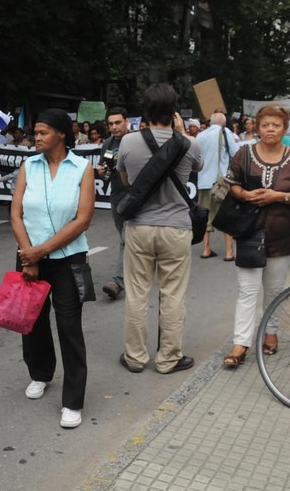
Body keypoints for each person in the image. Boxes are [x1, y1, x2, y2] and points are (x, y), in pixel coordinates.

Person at [10, 108, 94, 429]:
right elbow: (16, 213)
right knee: (31, 323)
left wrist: (40, 252)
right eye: (36, 133)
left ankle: (73, 400)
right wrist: (28, 257)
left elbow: (83, 219)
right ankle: (40, 373)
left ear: (61, 134)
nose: (37, 138)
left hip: (68, 260)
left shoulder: (82, 168)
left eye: (43, 132)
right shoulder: (28, 166)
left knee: (69, 328)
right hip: (29, 256)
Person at [117, 84, 202, 374]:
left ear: (146, 111)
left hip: (140, 225)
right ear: (174, 112)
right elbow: (198, 168)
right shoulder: (188, 143)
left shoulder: (128, 141)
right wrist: (181, 132)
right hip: (176, 227)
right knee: (173, 295)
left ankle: (135, 357)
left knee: (137, 294)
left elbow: (127, 181)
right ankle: (168, 358)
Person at [220, 105, 290, 366]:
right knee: (247, 291)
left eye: (276, 125)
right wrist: (244, 194)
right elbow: (232, 183)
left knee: (274, 289)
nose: (270, 129)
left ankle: (271, 333)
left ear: (284, 129)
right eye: (265, 125)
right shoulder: (244, 153)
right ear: (257, 128)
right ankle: (241, 343)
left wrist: (279, 196)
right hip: (249, 232)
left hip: (283, 234)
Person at [196, 110, 240, 260]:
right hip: (220, 183)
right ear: (224, 123)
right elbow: (236, 154)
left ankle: (206, 249)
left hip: (203, 181)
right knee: (226, 215)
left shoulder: (200, 135)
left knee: (205, 215)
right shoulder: (225, 132)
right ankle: (229, 252)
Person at [98, 107, 129, 300]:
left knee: (126, 239)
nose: (114, 127)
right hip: (117, 196)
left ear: (126, 121)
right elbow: (108, 172)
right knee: (126, 239)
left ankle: (117, 281)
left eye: (118, 122)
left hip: (135, 197)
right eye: (111, 124)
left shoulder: (136, 141)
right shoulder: (108, 144)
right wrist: (103, 172)